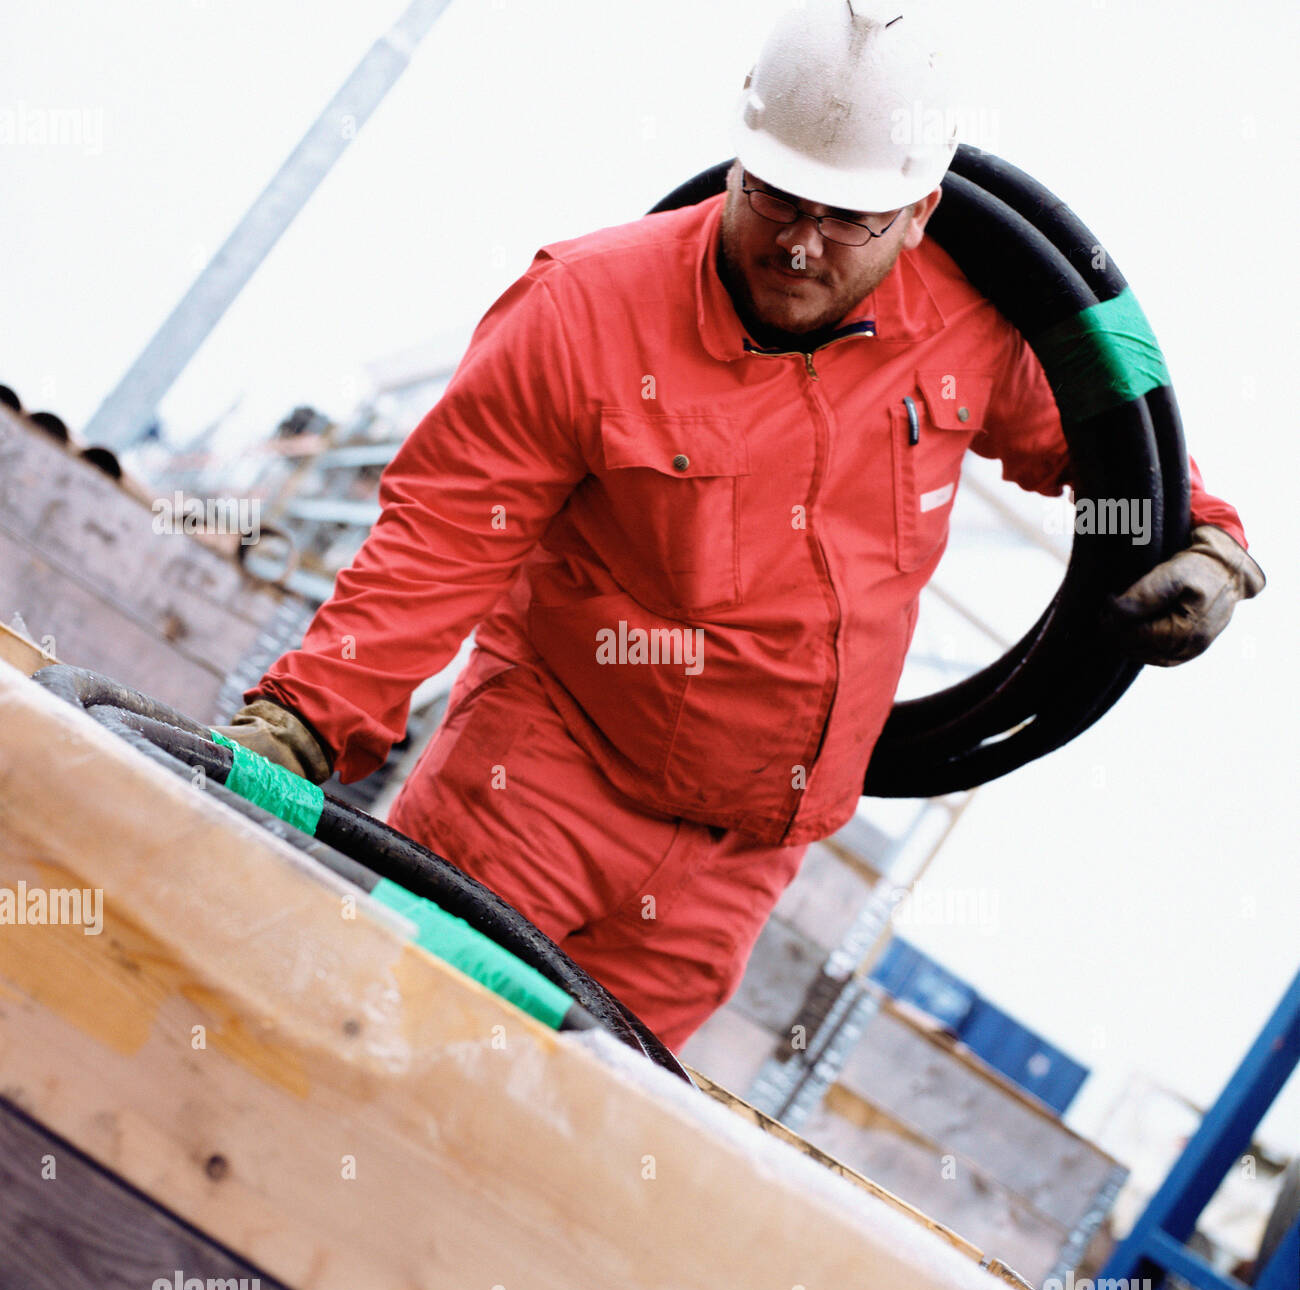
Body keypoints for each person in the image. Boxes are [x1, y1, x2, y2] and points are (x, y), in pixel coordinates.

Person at [218, 3, 1264, 1052]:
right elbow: (441, 540)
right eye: (778, 198)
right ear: (739, 161)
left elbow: (1111, 452)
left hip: (739, 860)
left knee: (563, 1150)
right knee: (376, 1052)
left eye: (849, 219)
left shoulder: (967, 326)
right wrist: (300, 724)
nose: (802, 247)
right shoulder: (587, 309)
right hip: (538, 790)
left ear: (919, 213)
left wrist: (1203, 537)